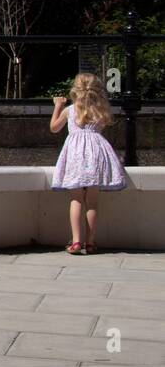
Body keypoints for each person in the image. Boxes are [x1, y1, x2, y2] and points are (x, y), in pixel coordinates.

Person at [50, 73, 126, 255]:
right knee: (92, 201)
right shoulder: (101, 110)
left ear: (75, 89)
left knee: (76, 198)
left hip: (76, 157)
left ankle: (76, 242)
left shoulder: (70, 110)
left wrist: (58, 106)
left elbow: (54, 128)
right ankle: (90, 243)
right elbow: (101, 129)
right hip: (96, 156)